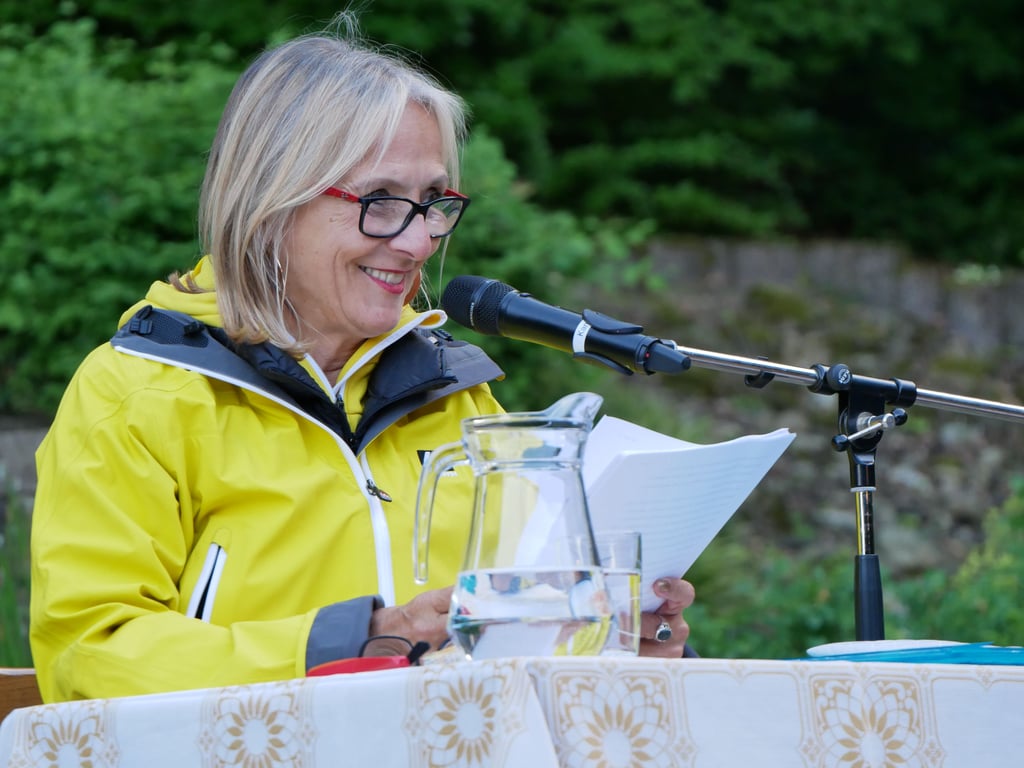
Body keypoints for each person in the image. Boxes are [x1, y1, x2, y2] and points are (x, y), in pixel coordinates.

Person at [29, 15, 695, 703]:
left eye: (433, 203)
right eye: (381, 202)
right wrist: (357, 641)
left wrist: (615, 640)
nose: (417, 243)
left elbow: (513, 639)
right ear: (270, 199)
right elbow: (90, 658)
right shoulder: (133, 392)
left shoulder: (458, 393)